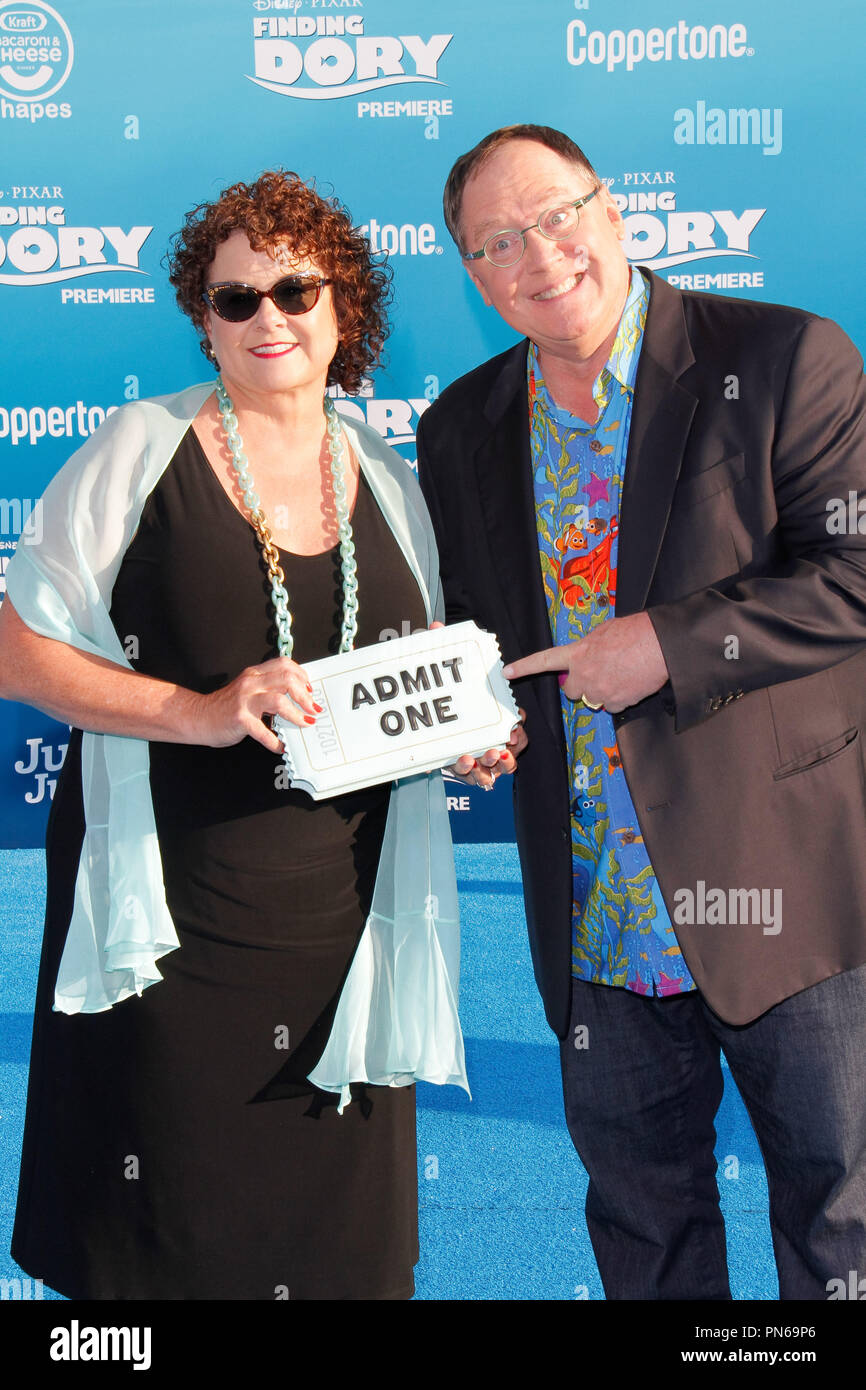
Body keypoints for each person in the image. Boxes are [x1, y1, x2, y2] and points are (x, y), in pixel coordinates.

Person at [0, 170, 516, 1301]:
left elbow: (410, 677)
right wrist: (194, 710)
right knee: (168, 1235)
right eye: (235, 300)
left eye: (294, 290)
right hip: (172, 927)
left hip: (343, 926)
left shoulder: (387, 476)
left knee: (335, 1246)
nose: (267, 319)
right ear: (204, 319)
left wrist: (465, 738)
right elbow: (16, 649)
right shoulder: (140, 447)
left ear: (345, 310)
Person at [416, 124, 866, 1300]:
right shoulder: (458, 425)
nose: (539, 255)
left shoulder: (780, 356)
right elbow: (478, 631)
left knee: (840, 1224)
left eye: (557, 215)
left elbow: (849, 576)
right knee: (644, 1229)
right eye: (496, 243)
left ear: (613, 212)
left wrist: (664, 645)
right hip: (594, 915)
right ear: (471, 273)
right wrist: (470, 717)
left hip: (786, 897)